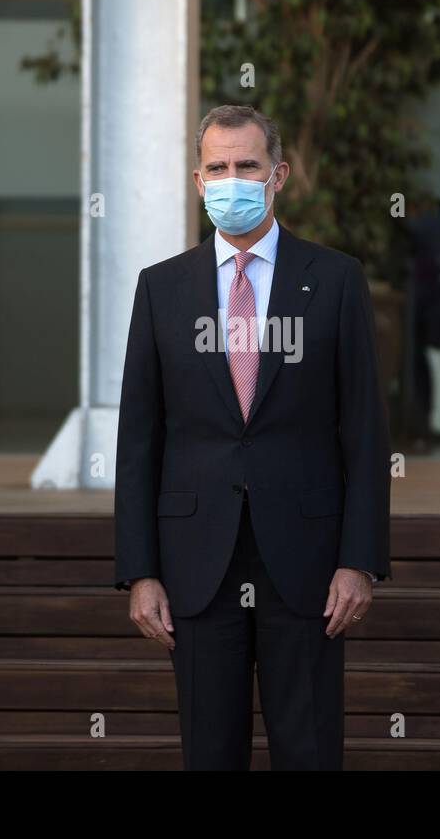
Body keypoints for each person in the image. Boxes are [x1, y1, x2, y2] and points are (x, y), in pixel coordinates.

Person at [114, 104, 391, 770]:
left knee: (311, 747)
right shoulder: (162, 289)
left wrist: (360, 559)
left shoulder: (335, 280)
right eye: (218, 167)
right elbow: (138, 440)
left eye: (247, 166)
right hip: (196, 563)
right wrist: (140, 570)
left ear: (279, 175)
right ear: (197, 178)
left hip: (308, 563)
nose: (231, 179)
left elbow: (365, 432)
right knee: (210, 751)